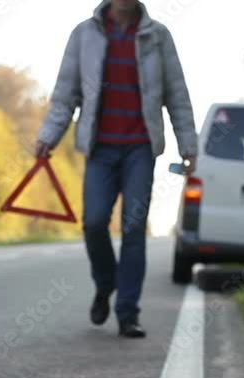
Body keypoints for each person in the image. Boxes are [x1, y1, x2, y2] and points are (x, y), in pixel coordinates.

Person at [35, 0, 198, 338]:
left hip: (140, 148)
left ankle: (127, 313)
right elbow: (66, 95)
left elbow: (177, 95)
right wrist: (49, 136)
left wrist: (187, 145)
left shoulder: (158, 36)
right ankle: (106, 282)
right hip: (100, 148)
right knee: (94, 223)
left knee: (133, 228)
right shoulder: (84, 34)